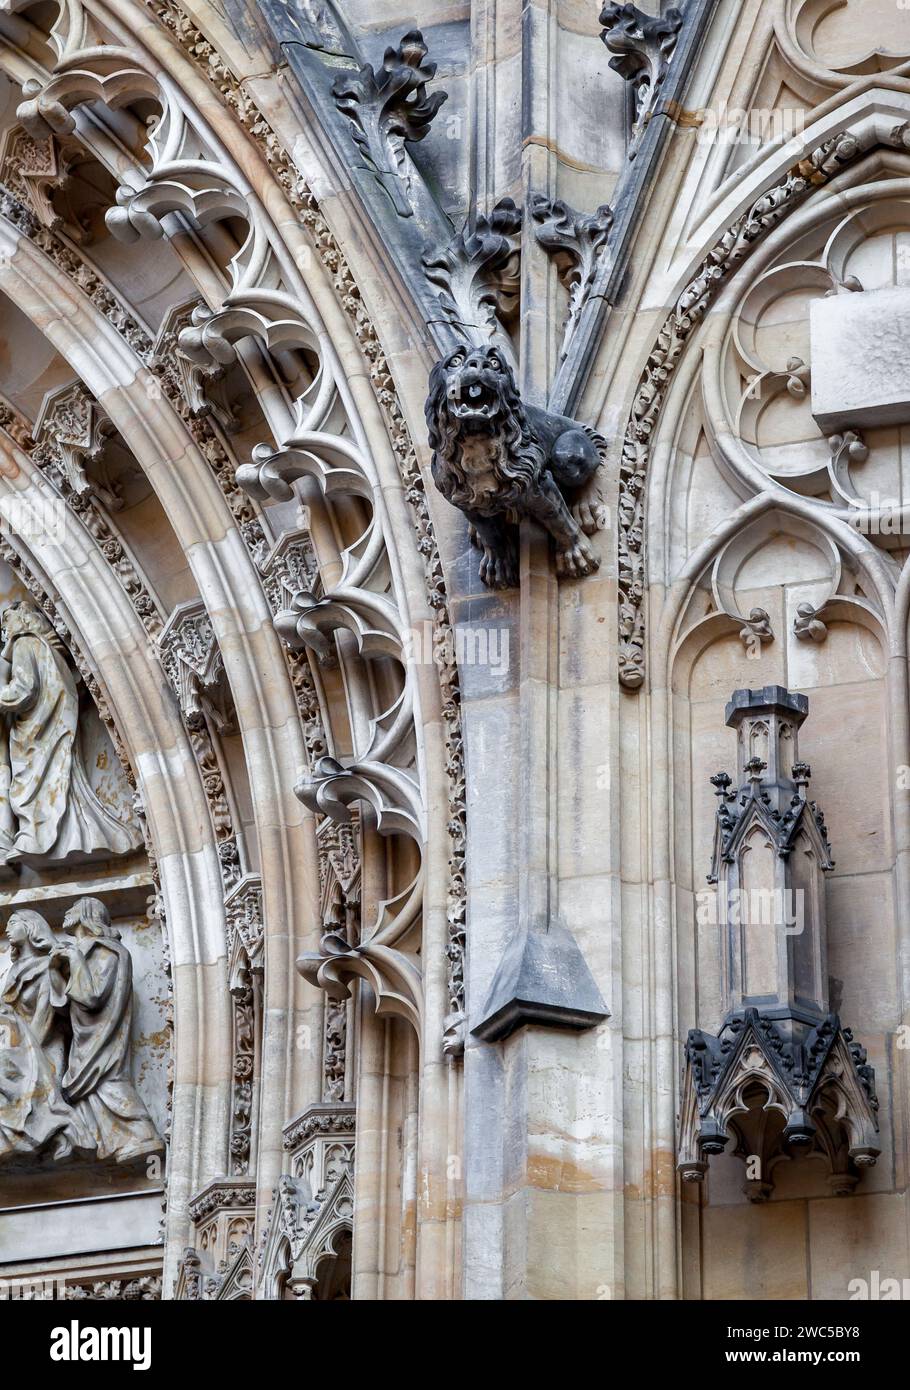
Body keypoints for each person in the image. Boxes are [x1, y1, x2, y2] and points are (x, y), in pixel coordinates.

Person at [0, 600, 139, 864]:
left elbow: (24, 689)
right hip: (53, 726)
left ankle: (37, 840)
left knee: (38, 784)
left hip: (39, 731)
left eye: (7, 622)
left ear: (23, 620)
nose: (5, 630)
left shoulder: (25, 643)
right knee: (60, 783)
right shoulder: (48, 649)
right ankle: (79, 838)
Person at [58, 897, 162, 1163]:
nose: (67, 912)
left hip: (101, 1037)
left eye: (74, 908)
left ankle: (142, 1136)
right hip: (84, 1038)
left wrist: (74, 958)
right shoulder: (87, 950)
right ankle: (106, 1141)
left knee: (108, 1083)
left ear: (87, 914)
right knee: (88, 1090)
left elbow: (92, 996)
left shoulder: (109, 952)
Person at [0, 910, 91, 1160]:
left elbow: (46, 1013)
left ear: (31, 928)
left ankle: (48, 1132)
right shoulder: (11, 972)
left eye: (14, 923)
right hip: (12, 1045)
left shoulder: (46, 967)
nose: (8, 929)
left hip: (40, 1046)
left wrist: (28, 1053)